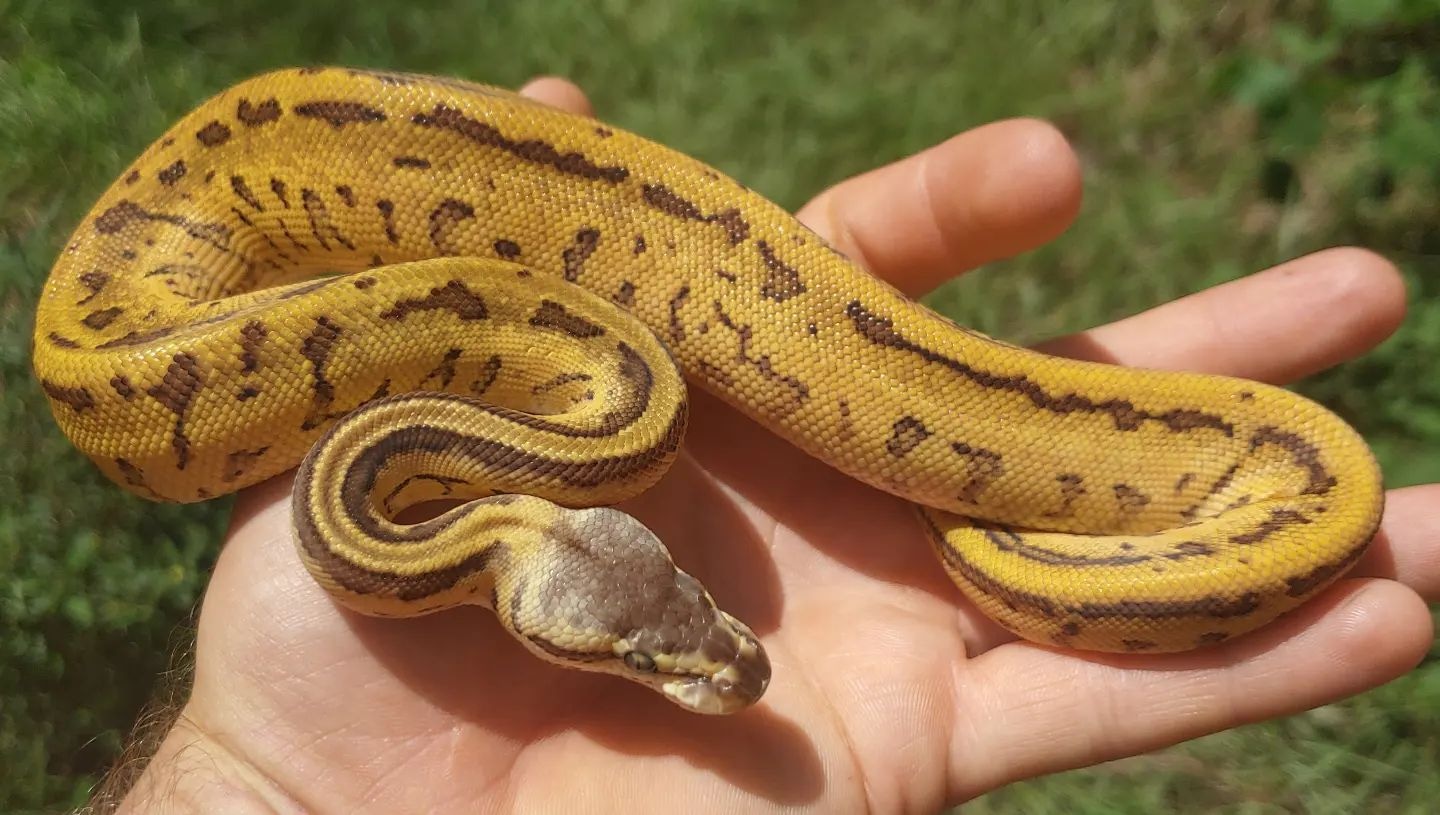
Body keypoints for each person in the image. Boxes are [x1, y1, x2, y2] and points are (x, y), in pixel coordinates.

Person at [108, 77, 1437, 814]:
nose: (714, 658)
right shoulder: (525, 475)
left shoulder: (539, 452)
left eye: (673, 629)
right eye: (649, 652)